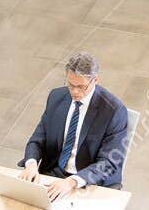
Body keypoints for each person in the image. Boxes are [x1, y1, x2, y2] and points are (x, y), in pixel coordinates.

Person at [20, 52, 129, 201]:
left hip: (90, 181)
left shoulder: (114, 111)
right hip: (55, 174)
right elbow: (38, 139)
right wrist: (31, 164)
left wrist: (72, 182)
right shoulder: (56, 97)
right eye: (70, 85)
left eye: (81, 87)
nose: (75, 92)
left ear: (95, 80)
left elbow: (109, 162)